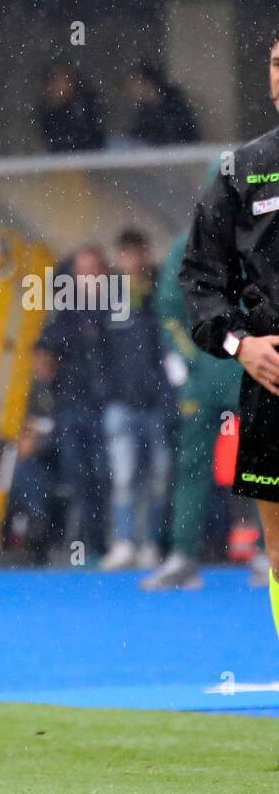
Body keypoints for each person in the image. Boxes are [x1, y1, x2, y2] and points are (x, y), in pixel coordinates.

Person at [179, 26, 279, 640]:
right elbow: (200, 280)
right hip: (271, 387)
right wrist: (243, 345)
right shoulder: (243, 171)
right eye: (275, 62)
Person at [142, 225, 241, 590]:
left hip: (254, 370)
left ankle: (269, 551)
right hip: (207, 375)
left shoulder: (265, 232)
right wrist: (191, 358)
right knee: (192, 467)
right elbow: (170, 307)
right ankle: (184, 553)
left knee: (265, 465)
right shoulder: (189, 243)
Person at [98, 229, 172, 570]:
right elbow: (97, 352)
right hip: (120, 404)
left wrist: (164, 390)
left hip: (156, 403)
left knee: (159, 477)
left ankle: (150, 543)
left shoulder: (160, 293)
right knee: (125, 477)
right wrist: (108, 391)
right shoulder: (109, 298)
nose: (132, 260)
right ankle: (124, 541)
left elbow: (168, 347)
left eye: (137, 253)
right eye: (126, 253)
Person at [35, 247, 111, 561]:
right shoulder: (62, 314)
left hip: (110, 407)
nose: (89, 278)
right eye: (84, 271)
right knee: (79, 478)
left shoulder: (116, 310)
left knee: (110, 477)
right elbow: (42, 356)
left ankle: (117, 544)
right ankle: (88, 547)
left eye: (95, 270)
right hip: (71, 408)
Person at [126, 62, 200, 146]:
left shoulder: (173, 107)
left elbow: (173, 138)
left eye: (134, 83)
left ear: (147, 83)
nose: (131, 90)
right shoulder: (144, 110)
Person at [37, 61, 105, 152]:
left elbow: (93, 137)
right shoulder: (47, 113)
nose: (58, 85)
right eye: (54, 80)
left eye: (61, 80)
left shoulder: (86, 104)